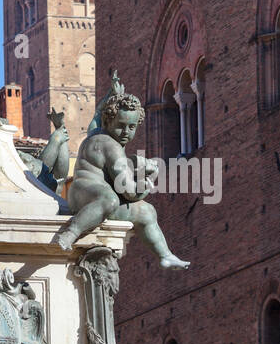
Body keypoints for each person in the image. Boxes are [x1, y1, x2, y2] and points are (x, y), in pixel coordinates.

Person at [53, 88, 190, 270]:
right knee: (109, 199)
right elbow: (129, 191)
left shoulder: (96, 133)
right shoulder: (112, 146)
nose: (126, 131)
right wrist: (145, 182)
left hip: (84, 195)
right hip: (86, 196)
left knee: (146, 212)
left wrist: (110, 94)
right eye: (121, 125)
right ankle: (71, 232)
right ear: (108, 122)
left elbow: (96, 116)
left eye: (131, 127)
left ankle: (165, 255)